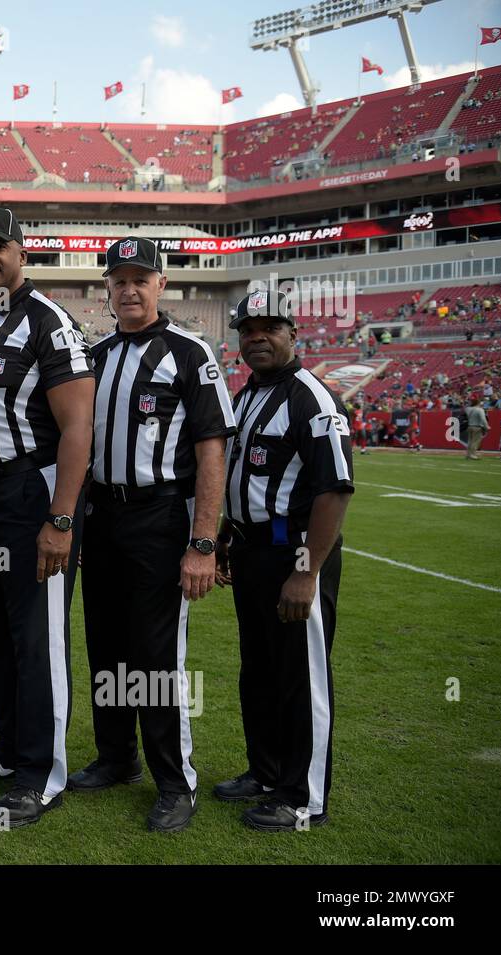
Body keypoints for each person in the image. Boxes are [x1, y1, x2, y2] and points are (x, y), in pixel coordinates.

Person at [73, 237, 235, 833]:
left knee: (157, 655)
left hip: (161, 516)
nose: (130, 289)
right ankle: (117, 757)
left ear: (161, 284)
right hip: (106, 516)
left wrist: (203, 541)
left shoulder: (190, 352)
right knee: (106, 645)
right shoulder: (97, 354)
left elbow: (212, 449)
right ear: (107, 289)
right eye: (119, 280)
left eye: (141, 279)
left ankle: (175, 780)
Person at [0, 208, 95, 828]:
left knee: (37, 638)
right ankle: (9, 752)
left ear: (20, 251)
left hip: (32, 493)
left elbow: (78, 426)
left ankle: (42, 771)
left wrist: (60, 518)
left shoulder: (48, 321)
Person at [215, 289, 353, 831]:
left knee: (302, 676)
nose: (256, 338)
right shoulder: (248, 393)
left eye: (269, 327)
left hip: (294, 552)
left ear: (293, 332)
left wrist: (307, 570)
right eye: (247, 329)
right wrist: (228, 535)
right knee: (261, 672)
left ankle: (304, 796)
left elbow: (334, 490)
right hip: (252, 550)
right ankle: (266, 771)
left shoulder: (311, 398)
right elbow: (243, 477)